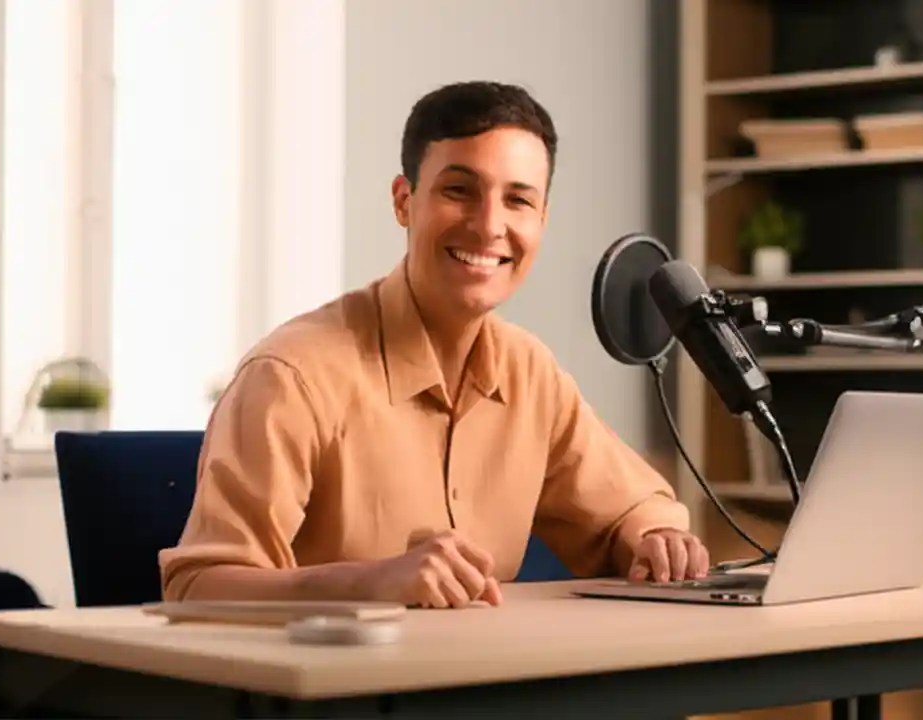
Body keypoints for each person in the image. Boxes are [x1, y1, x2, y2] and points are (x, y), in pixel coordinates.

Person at [158, 80, 710, 609]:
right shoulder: (292, 374)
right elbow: (198, 587)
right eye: (458, 191)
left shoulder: (530, 372)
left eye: (518, 201)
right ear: (404, 201)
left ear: (542, 219)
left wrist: (656, 536)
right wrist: (371, 582)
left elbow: (631, 510)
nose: (489, 225)